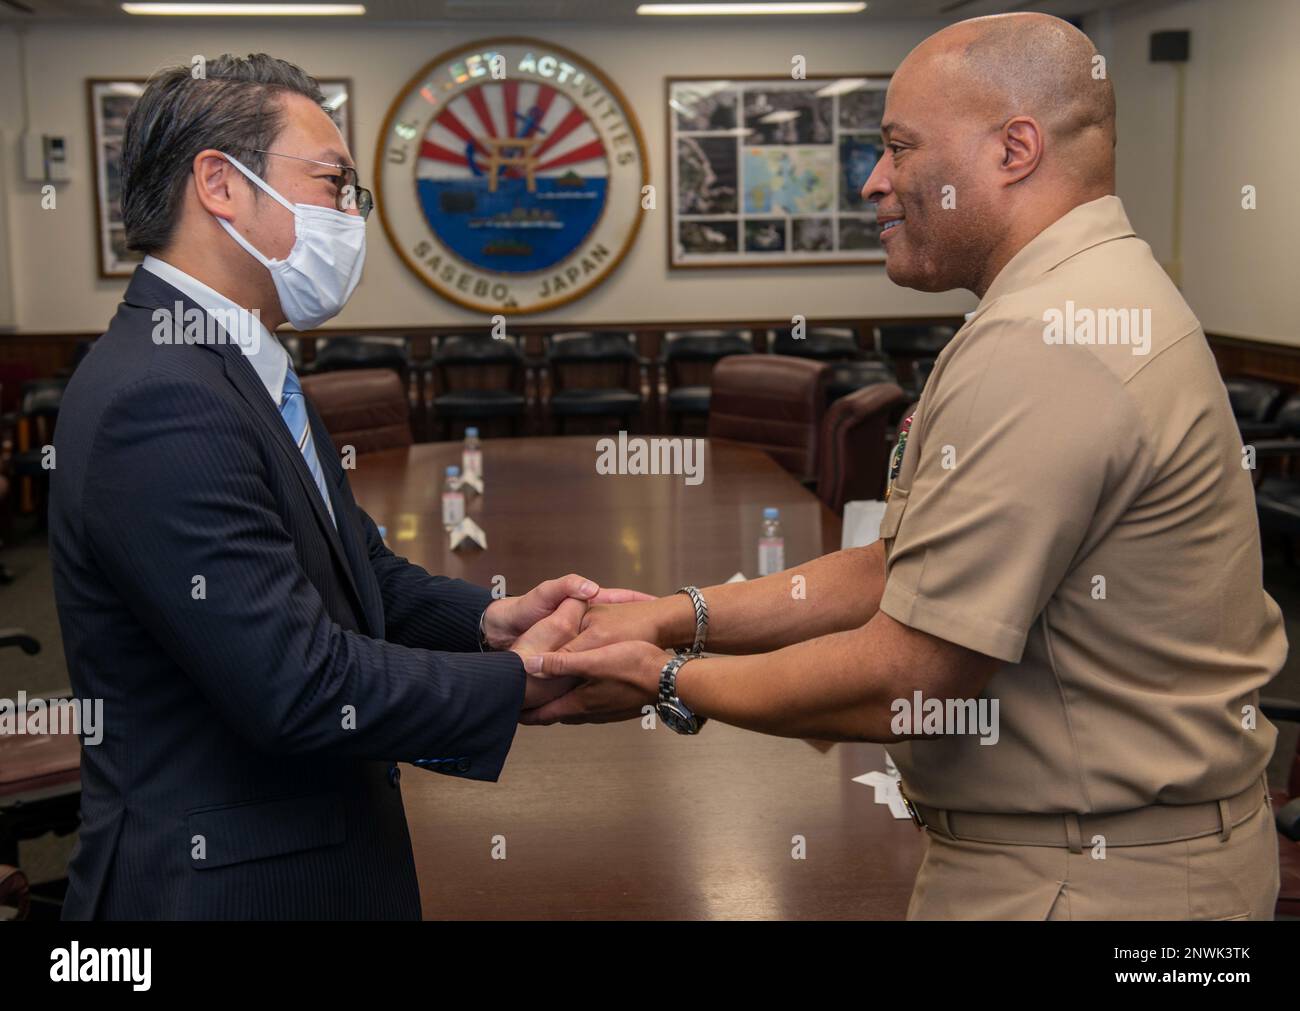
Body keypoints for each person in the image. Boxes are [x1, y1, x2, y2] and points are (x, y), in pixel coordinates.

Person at [526, 13, 1285, 920]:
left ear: (1014, 149)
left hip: (1092, 881)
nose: (874, 180)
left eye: (897, 147)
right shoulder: (1079, 299)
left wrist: (661, 679)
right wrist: (672, 617)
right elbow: (901, 569)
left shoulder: (1048, 339)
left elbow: (911, 675)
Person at [49, 54, 638, 920]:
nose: (351, 217)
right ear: (220, 183)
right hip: (224, 889)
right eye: (334, 184)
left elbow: (357, 572)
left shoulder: (235, 362)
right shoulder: (163, 393)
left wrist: (486, 620)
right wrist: (520, 680)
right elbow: (295, 684)